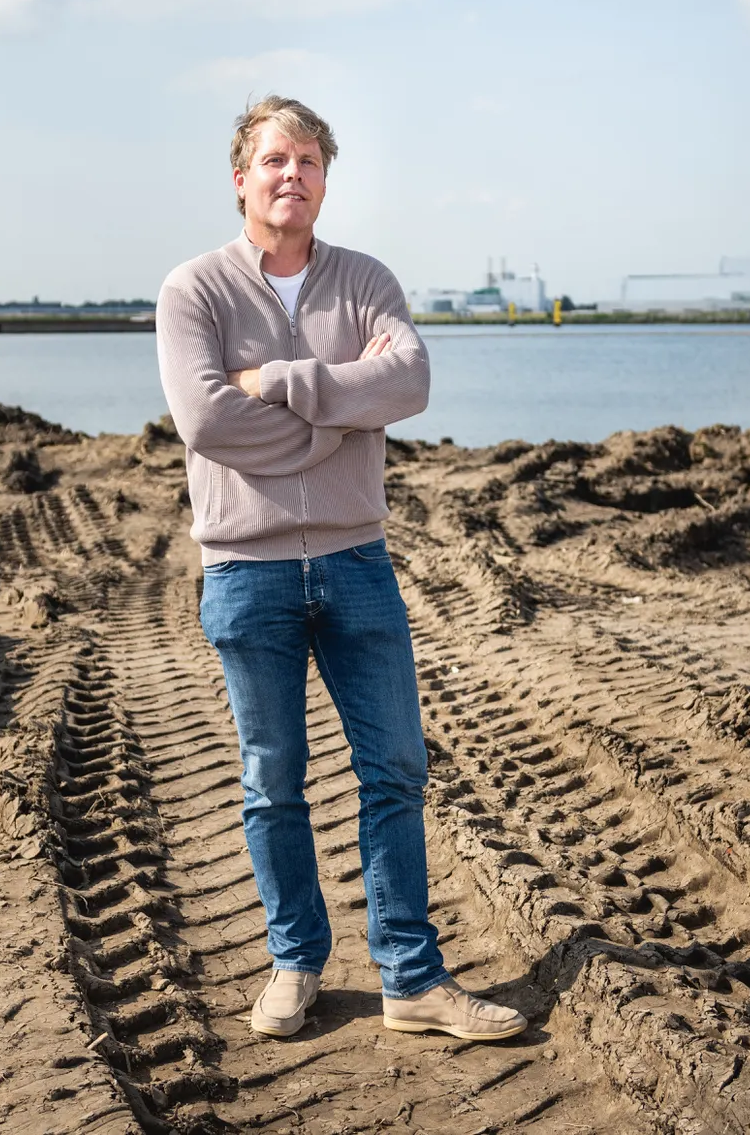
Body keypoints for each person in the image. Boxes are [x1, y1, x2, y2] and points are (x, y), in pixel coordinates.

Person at [154, 96, 527, 1043]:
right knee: (272, 779)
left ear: (326, 178)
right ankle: (295, 962)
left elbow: (411, 382)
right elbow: (206, 420)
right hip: (246, 572)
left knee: (396, 767)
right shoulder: (193, 291)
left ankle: (411, 978)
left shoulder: (365, 280)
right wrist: (344, 413)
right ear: (241, 178)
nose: (294, 174)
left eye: (310, 160)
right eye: (276, 159)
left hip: (358, 561)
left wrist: (285, 388)